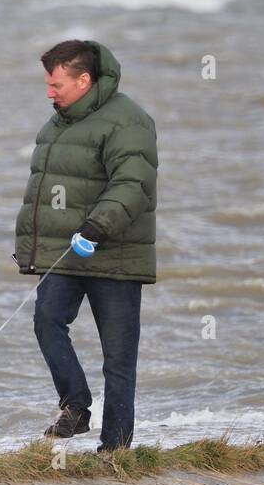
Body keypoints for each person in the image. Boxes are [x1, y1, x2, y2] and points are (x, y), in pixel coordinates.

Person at [14, 39, 158, 452]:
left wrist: (96, 228)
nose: (49, 92)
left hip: (115, 255)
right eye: (47, 83)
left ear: (84, 79)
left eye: (56, 84)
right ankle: (76, 406)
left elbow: (132, 185)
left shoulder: (129, 121)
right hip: (68, 252)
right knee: (47, 320)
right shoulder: (57, 123)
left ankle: (115, 450)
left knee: (118, 359)